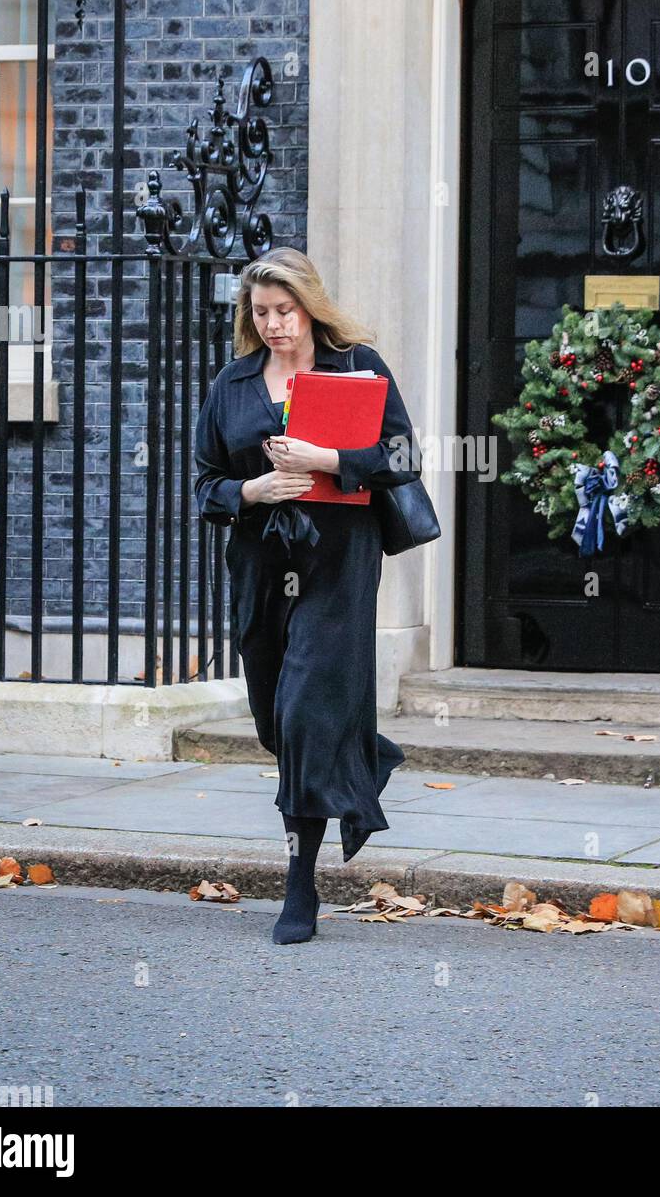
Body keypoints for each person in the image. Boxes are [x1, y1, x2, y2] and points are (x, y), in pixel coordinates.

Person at [194, 248, 421, 944]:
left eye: (283, 311)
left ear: (309, 306)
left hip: (339, 559)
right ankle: (364, 753)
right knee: (276, 721)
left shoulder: (356, 367)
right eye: (260, 313)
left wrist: (329, 461)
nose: (272, 325)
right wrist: (249, 491)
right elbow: (205, 481)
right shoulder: (232, 385)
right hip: (262, 561)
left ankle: (301, 887)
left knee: (301, 717)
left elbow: (404, 456)